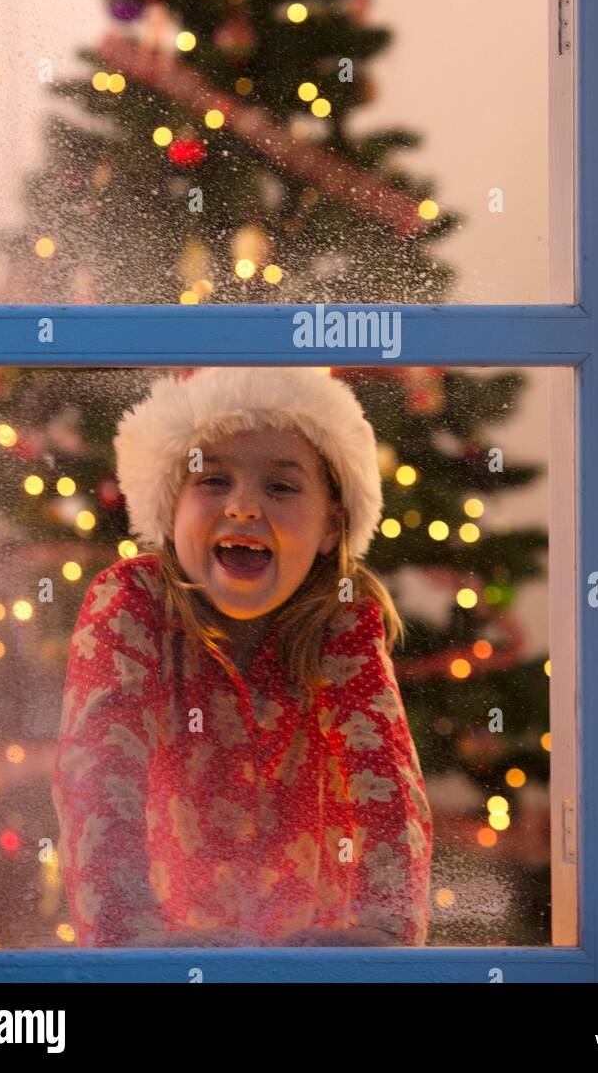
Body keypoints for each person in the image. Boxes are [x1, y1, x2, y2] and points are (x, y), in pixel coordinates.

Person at [51, 366, 433, 947]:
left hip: (312, 953)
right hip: (165, 951)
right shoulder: (132, 601)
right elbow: (99, 775)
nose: (244, 507)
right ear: (169, 509)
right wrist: (127, 939)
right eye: (212, 480)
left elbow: (386, 780)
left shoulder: (343, 613)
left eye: (281, 487)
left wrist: (385, 931)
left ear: (331, 527)